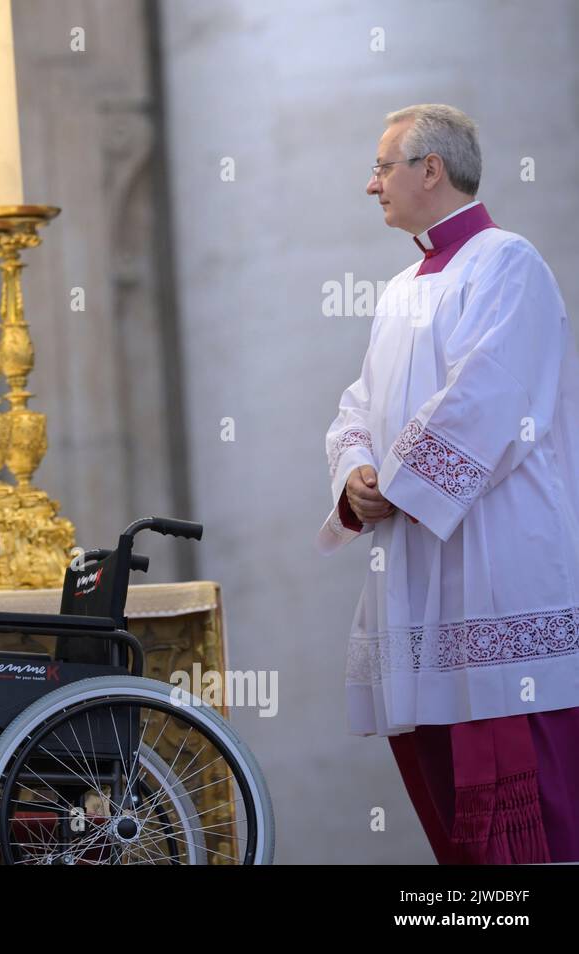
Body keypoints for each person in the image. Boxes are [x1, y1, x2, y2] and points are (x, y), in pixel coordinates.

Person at [318, 103, 579, 863]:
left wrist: (395, 484)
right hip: (419, 563)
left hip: (498, 564)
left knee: (532, 799)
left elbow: (487, 397)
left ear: (430, 168)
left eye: (381, 167)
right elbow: (357, 404)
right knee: (440, 774)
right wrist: (355, 475)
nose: (372, 186)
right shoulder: (401, 289)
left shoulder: (508, 262)